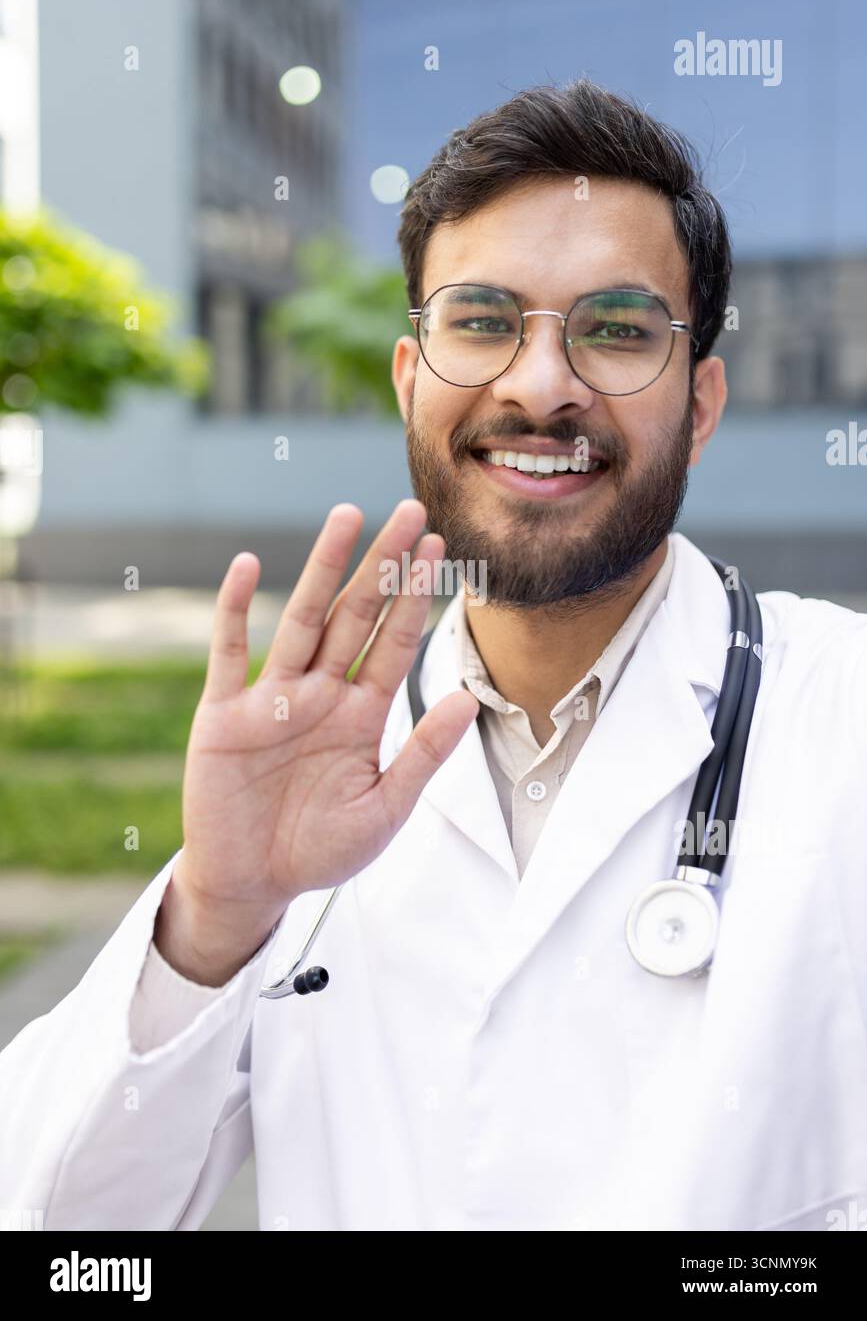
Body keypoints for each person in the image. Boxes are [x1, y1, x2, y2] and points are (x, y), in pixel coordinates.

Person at [1, 79, 866, 1232]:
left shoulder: (840, 717)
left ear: (701, 405)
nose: (540, 384)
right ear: (412, 382)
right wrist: (216, 911)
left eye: (614, 328)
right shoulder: (310, 782)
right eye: (481, 320)